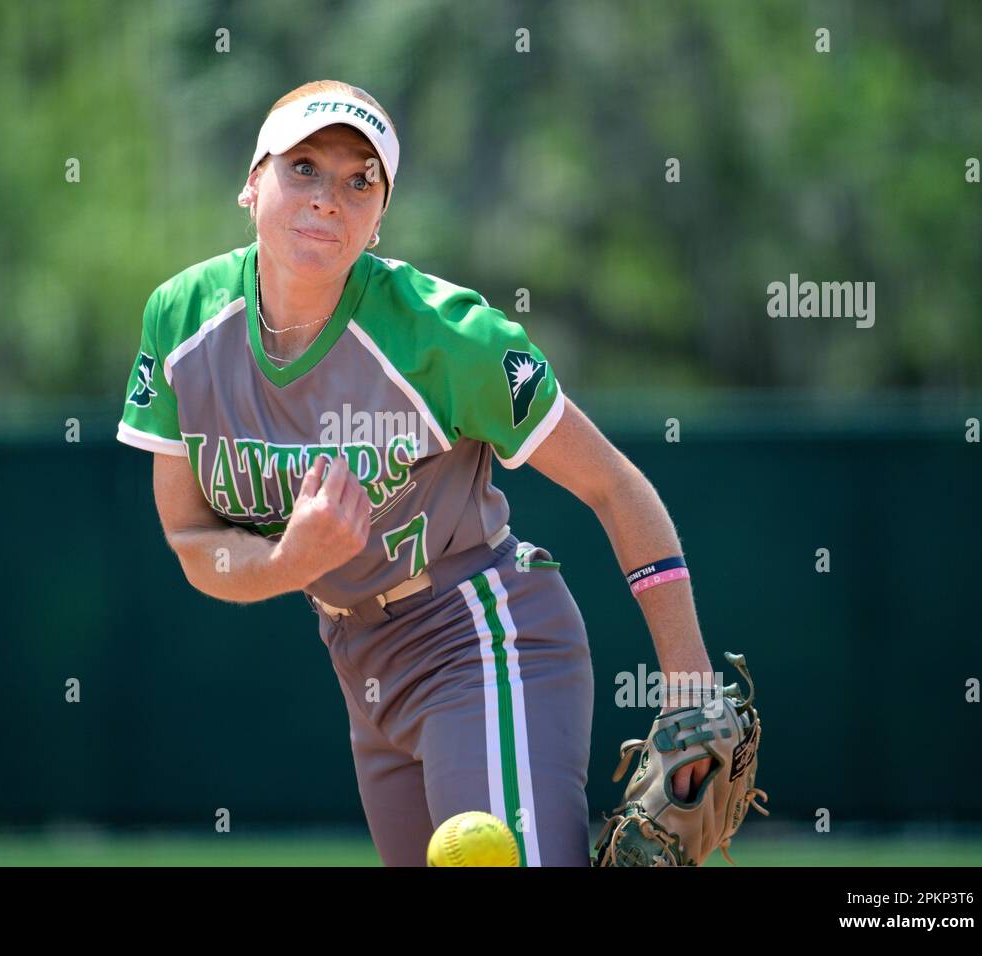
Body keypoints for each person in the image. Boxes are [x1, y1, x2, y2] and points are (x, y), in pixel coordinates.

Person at [117, 79, 716, 866]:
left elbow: (614, 484)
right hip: (360, 663)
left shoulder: (443, 335)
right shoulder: (183, 321)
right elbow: (193, 536)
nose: (329, 197)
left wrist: (689, 683)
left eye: (359, 180)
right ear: (251, 183)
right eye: (304, 167)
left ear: (377, 223)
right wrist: (289, 563)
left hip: (483, 636)